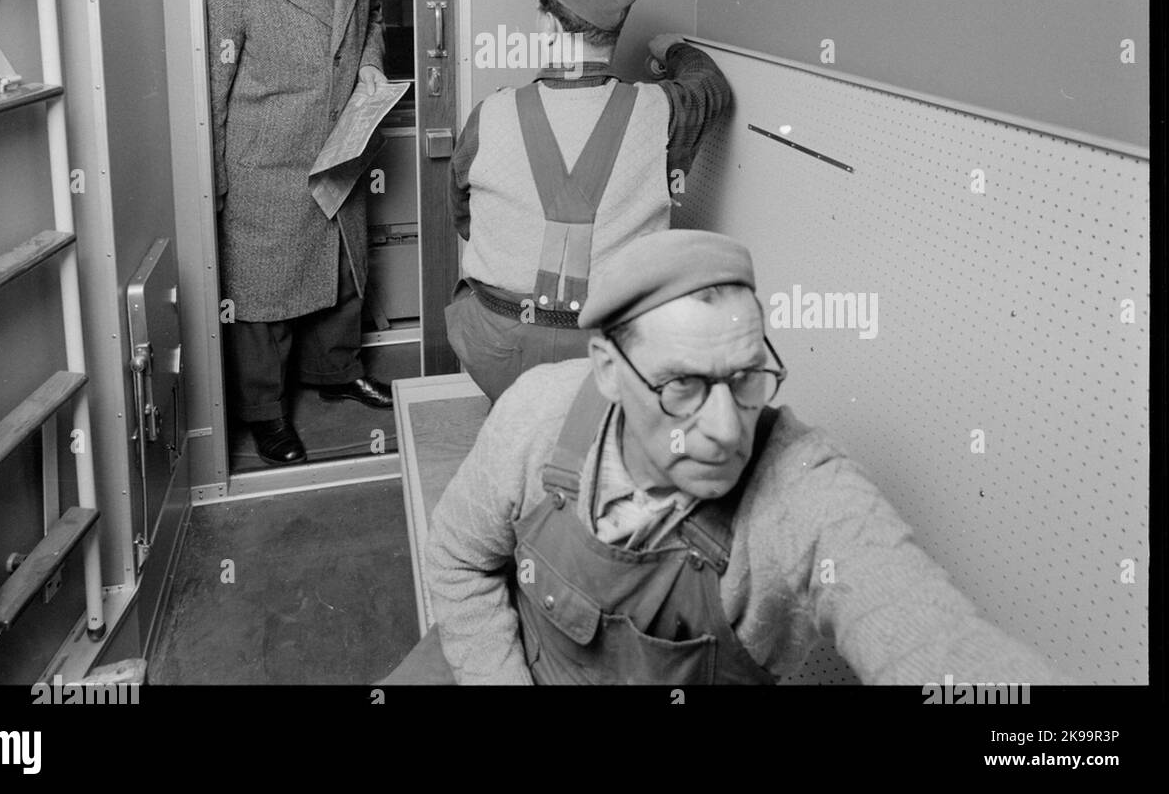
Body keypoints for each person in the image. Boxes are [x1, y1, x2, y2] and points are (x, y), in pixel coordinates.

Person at [384, 229, 1069, 685]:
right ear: (606, 368)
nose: (722, 431)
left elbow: (938, 644)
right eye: (681, 385)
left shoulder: (801, 490)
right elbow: (458, 559)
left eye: (744, 378)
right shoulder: (536, 415)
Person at [446, 0, 732, 401]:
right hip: (613, 352)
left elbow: (463, 217)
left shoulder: (490, 114)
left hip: (497, 346)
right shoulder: (664, 110)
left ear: (548, 22)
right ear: (617, 30)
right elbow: (711, 86)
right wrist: (672, 49)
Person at [206, 0, 394, 467]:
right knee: (262, 295)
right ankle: (264, 413)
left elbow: (369, 17)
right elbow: (212, 79)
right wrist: (216, 183)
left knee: (343, 272)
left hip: (342, 143)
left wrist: (370, 66)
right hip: (266, 158)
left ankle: (334, 373)